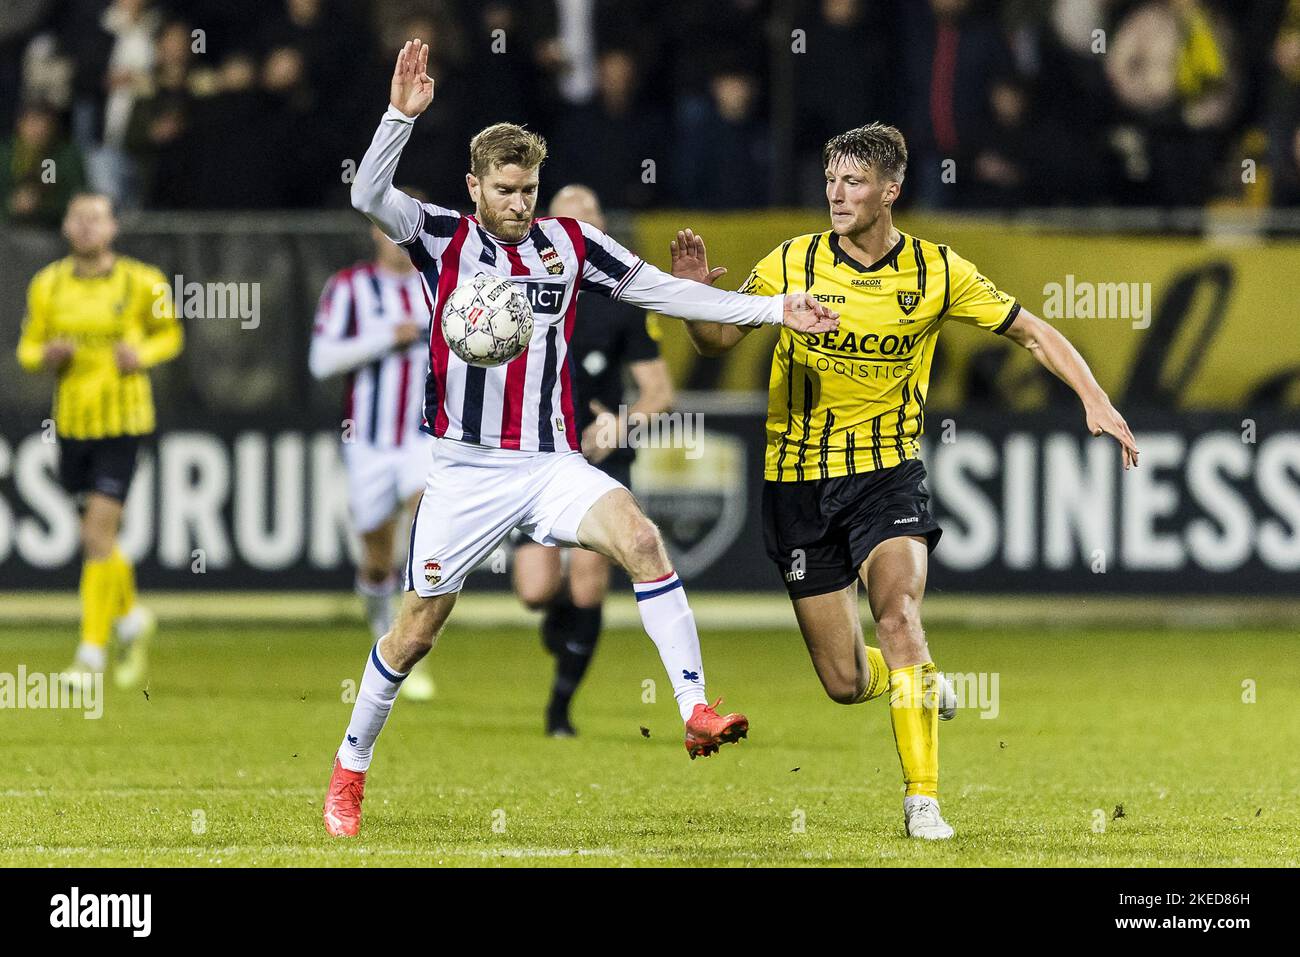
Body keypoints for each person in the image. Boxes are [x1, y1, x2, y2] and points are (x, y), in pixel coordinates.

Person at [323, 39, 838, 837]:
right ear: (474, 187)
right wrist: (399, 117)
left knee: (642, 538)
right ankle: (350, 770)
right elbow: (367, 194)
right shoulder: (438, 236)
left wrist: (774, 310)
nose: (519, 203)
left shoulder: (570, 244)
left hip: (552, 461)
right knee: (414, 631)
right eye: (504, 189)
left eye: (528, 188)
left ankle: (695, 707)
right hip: (465, 471)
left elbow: (664, 291)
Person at [671, 123, 1140, 840]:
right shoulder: (792, 260)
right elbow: (718, 339)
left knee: (898, 614)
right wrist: (696, 298)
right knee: (843, 681)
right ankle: (911, 678)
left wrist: (1094, 398)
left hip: (888, 475)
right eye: (830, 179)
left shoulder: (937, 271)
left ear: (891, 190)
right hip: (797, 481)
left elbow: (1033, 330)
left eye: (852, 181)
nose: (835, 193)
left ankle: (923, 799)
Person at [511, 184, 673, 737]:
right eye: (570, 216)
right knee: (535, 590)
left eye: (593, 213)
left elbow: (659, 393)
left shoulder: (619, 305)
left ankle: (560, 710)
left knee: (588, 581)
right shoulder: (516, 291)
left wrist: (621, 422)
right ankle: (563, 618)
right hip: (534, 454)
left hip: (599, 457)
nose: (584, 223)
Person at [16, 193, 183, 691]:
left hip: (123, 425)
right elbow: (26, 349)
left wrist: (143, 354)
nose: (87, 226)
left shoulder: (142, 280)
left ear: (113, 226)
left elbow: (171, 335)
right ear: (66, 226)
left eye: (97, 218)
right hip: (71, 425)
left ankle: (89, 656)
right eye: (78, 218)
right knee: (100, 540)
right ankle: (131, 618)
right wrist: (47, 354)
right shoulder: (47, 284)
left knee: (94, 539)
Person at [310, 192, 438, 702]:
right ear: (374, 231)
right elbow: (322, 360)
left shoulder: (442, 284)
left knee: (427, 518)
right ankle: (384, 632)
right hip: (367, 441)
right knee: (377, 560)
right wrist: (391, 336)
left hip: (423, 436)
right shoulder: (349, 288)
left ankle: (412, 646)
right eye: (389, 227)